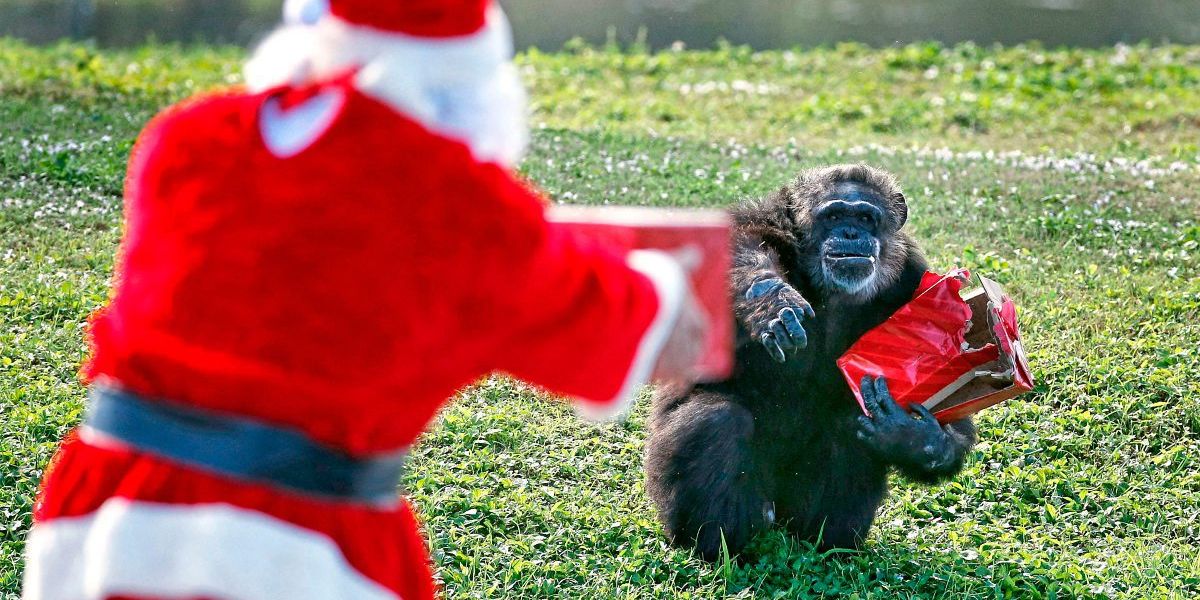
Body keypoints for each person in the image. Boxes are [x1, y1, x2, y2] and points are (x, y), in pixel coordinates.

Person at [21, 1, 710, 599]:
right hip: (297, 544)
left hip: (99, 514)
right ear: (468, 82)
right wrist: (663, 290)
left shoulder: (185, 139)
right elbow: (603, 329)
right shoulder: (457, 206)